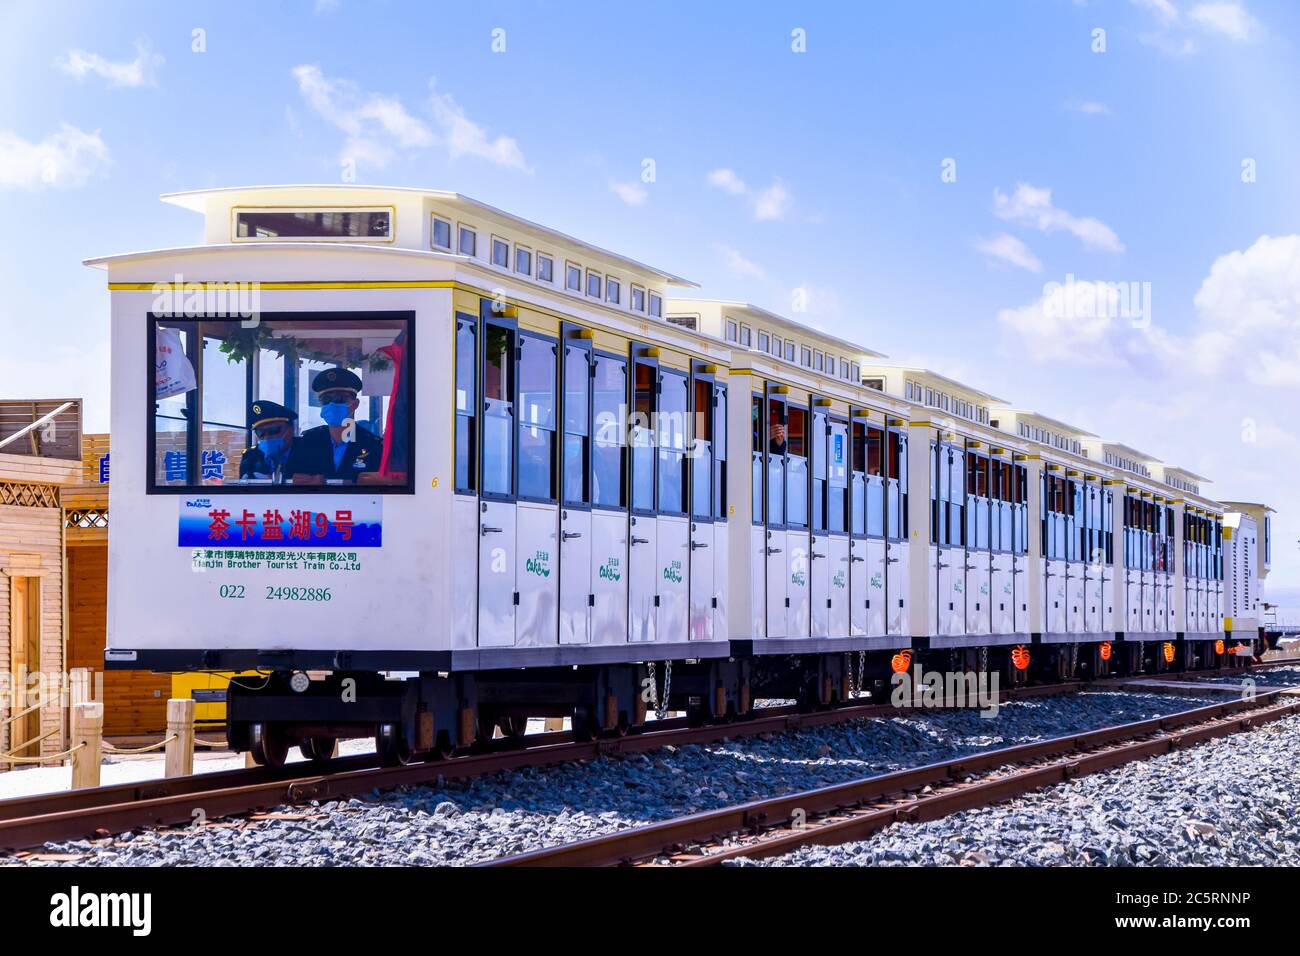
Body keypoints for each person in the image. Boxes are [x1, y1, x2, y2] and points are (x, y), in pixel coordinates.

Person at [286, 367, 383, 483]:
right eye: (325, 400)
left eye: (340, 398)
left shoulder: (373, 445)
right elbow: (292, 480)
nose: (332, 404)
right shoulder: (308, 442)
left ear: (355, 404)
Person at [239, 400, 298, 482]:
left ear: (291, 430)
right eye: (260, 433)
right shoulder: (250, 457)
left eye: (274, 430)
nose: (267, 437)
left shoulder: (310, 452)